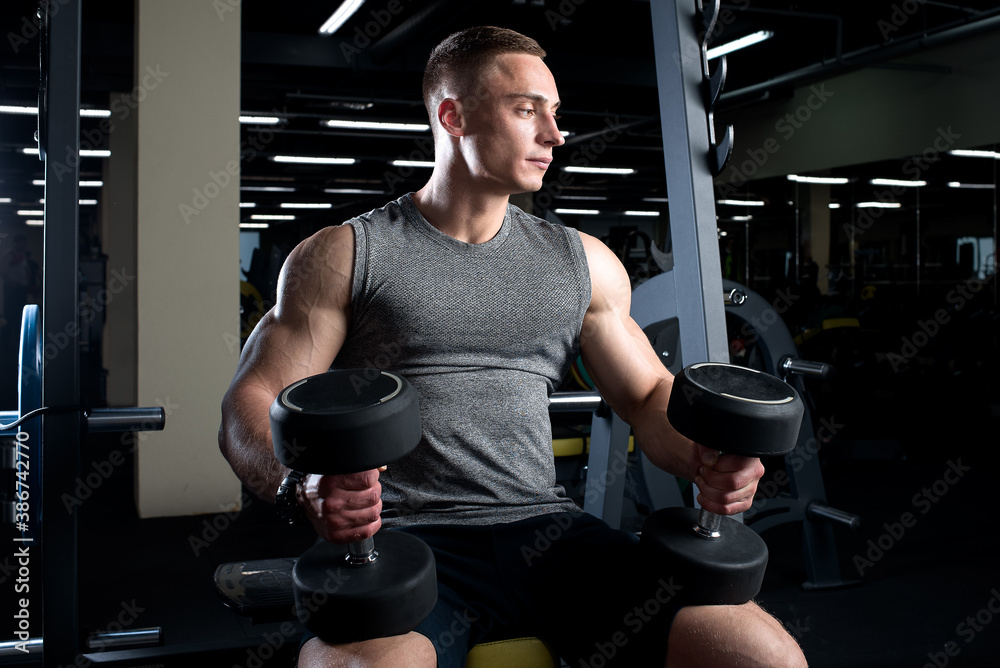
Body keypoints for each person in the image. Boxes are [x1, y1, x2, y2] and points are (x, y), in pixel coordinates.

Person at [219, 26, 807, 668]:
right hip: (406, 541)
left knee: (761, 655)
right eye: (528, 109)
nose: (555, 135)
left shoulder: (581, 263)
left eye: (555, 114)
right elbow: (250, 401)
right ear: (453, 115)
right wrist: (298, 484)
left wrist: (706, 456)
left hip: (551, 536)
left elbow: (645, 396)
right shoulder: (346, 255)